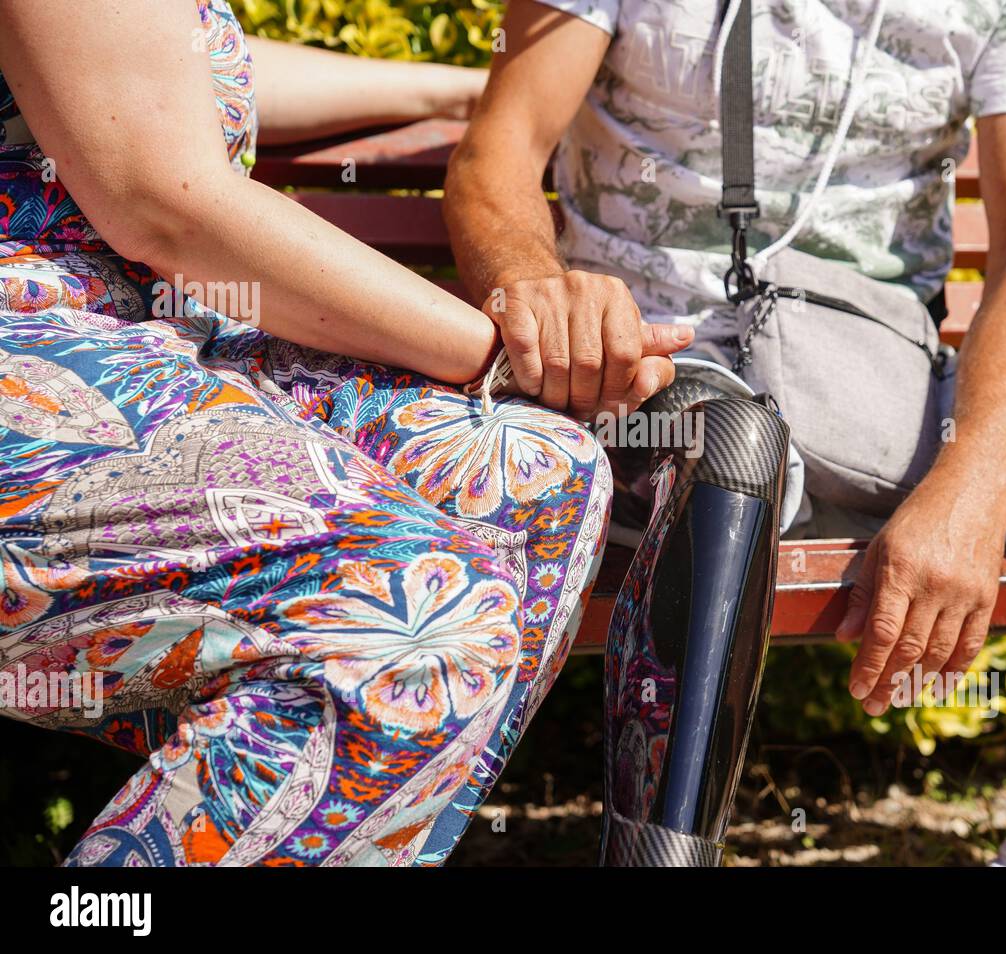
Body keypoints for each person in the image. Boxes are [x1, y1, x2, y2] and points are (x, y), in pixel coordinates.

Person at [445, 0, 1006, 866]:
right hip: (655, 371)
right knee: (733, 446)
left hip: (896, 387)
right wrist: (540, 293)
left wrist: (973, 485)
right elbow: (498, 152)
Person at [0, 0, 688, 866]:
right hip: (35, 359)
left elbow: (152, 61)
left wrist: (456, 93)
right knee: (421, 615)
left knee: (534, 473)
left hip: (152, 336)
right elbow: (163, 204)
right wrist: (510, 350)